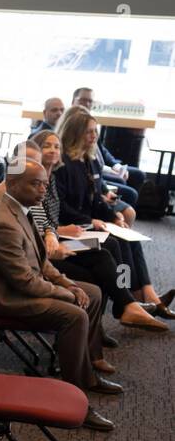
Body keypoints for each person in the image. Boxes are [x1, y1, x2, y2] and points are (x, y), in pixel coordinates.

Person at [0, 160, 120, 431]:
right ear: (13, 184)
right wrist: (68, 293)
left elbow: (42, 263)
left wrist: (69, 284)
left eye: (44, 183)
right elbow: (26, 283)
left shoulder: (23, 210)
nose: (43, 189)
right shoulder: (4, 222)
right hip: (8, 298)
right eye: (35, 183)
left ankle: (86, 372)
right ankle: (76, 395)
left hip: (25, 286)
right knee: (75, 315)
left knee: (94, 292)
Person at [0, 132, 167, 333]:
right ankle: (121, 307)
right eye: (46, 147)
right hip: (47, 249)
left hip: (58, 240)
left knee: (112, 246)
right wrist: (57, 231)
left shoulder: (47, 181)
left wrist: (55, 231)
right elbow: (38, 222)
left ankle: (128, 300)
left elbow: (46, 221)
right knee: (103, 257)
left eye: (57, 146)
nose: (52, 151)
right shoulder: (28, 186)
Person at [54, 111, 174, 317]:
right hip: (70, 231)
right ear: (75, 133)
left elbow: (97, 199)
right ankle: (129, 298)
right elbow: (62, 208)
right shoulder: (62, 165)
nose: (94, 136)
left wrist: (113, 217)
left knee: (130, 239)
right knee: (116, 243)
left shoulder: (88, 160)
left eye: (95, 131)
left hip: (86, 226)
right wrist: (91, 221)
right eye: (89, 132)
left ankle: (144, 294)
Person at [70, 87, 145, 197]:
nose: (86, 104)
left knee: (138, 174)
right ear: (73, 101)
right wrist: (108, 170)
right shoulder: (71, 125)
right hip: (92, 169)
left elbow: (102, 150)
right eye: (82, 100)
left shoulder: (90, 121)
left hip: (100, 165)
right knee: (128, 191)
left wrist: (115, 164)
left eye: (90, 101)